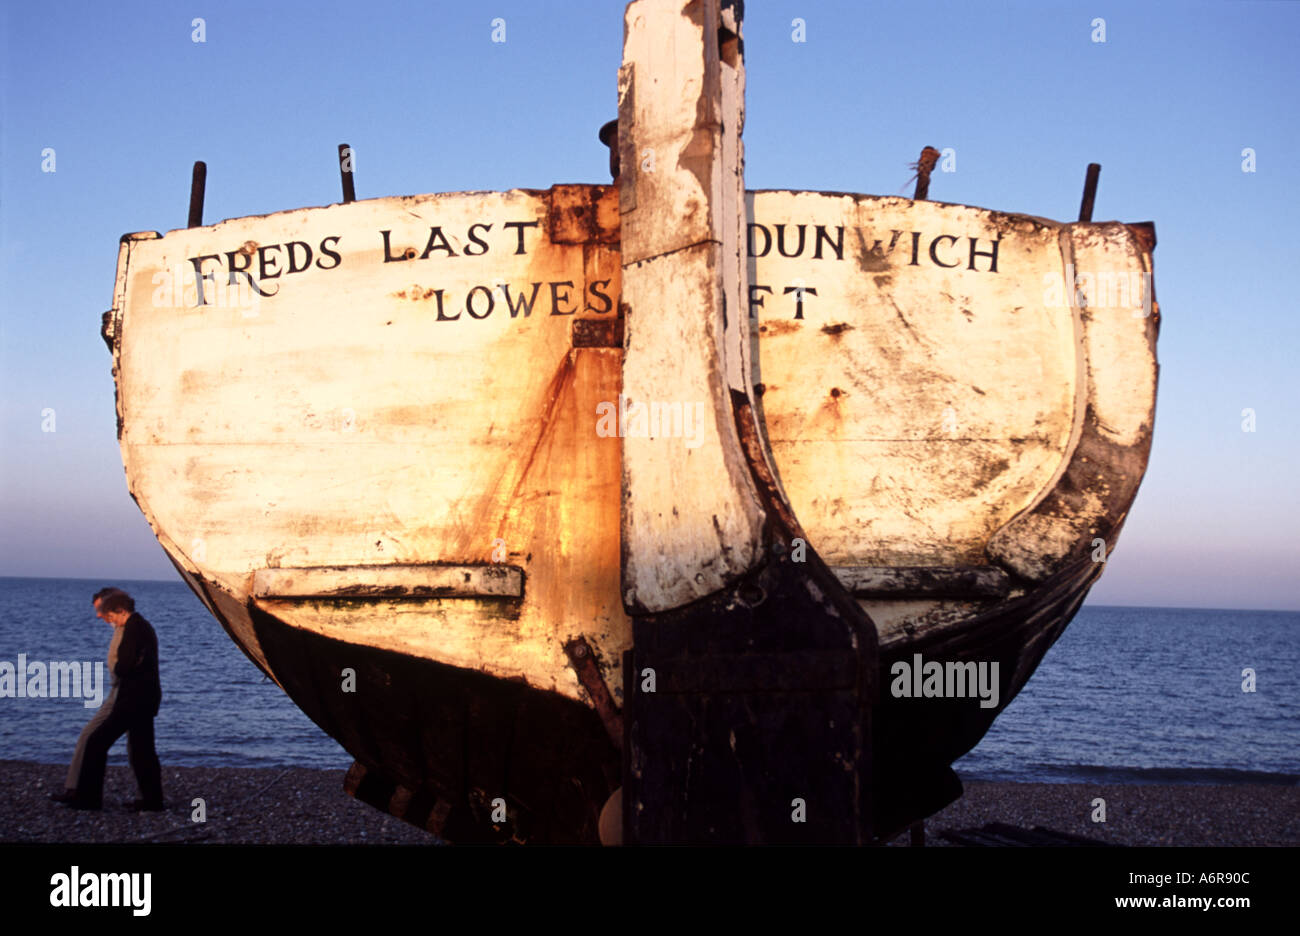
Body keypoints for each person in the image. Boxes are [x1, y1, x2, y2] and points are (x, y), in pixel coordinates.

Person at [53, 588, 164, 811]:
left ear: (121, 611)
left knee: (96, 743)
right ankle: (153, 801)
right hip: (145, 698)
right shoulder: (144, 626)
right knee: (143, 750)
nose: (110, 621)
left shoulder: (132, 628)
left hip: (132, 699)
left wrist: (120, 670)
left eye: (111, 616)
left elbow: (125, 663)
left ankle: (88, 799)